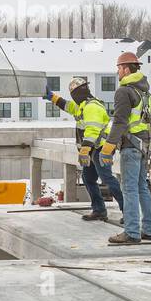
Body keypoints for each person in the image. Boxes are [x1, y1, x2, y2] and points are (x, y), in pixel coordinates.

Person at [46, 76, 123, 221]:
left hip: (100, 148)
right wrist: (52, 97)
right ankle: (99, 210)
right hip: (92, 149)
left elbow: (92, 131)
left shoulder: (92, 107)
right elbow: (67, 106)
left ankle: (128, 211)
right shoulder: (83, 106)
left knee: (107, 178)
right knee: (88, 178)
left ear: (78, 93)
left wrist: (84, 151)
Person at [99, 52, 151, 243]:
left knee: (129, 189)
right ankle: (149, 230)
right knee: (142, 188)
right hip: (144, 145)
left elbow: (120, 122)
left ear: (125, 68)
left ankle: (131, 232)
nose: (118, 73)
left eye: (118, 69)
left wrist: (108, 147)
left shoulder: (124, 92)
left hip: (131, 146)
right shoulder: (145, 93)